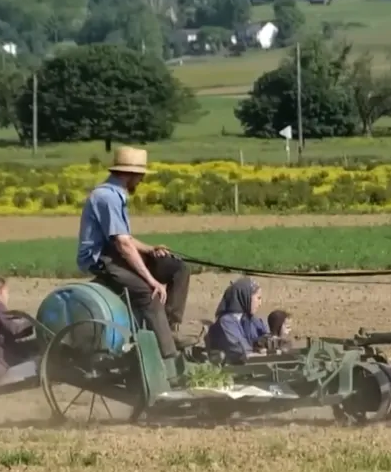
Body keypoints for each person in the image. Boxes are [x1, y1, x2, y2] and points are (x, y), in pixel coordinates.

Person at [76, 146, 191, 359]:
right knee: (148, 293)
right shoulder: (107, 197)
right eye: (140, 177)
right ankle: (168, 354)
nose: (141, 181)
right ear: (130, 174)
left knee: (177, 267)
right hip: (100, 258)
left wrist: (150, 249)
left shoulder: (116, 194)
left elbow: (125, 238)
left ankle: (170, 327)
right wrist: (151, 280)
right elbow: (122, 244)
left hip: (116, 251)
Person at [205, 276, 270, 364]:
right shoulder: (226, 322)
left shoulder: (252, 320)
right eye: (258, 298)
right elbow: (241, 352)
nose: (260, 303)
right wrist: (261, 354)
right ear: (245, 296)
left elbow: (265, 338)